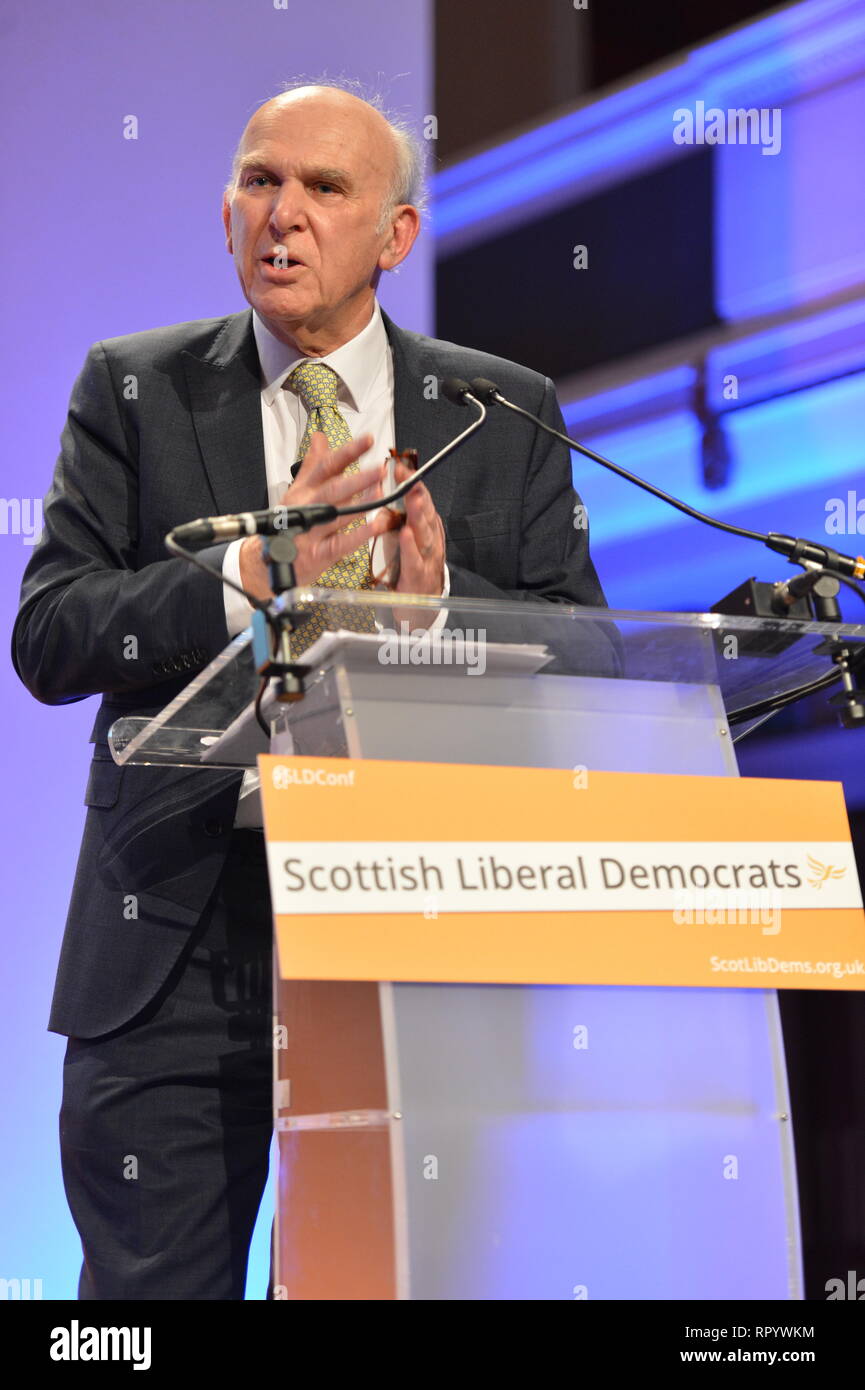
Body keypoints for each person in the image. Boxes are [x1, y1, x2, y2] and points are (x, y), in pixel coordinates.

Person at [12, 81, 613, 1300]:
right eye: (257, 180)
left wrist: (447, 606)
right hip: (179, 937)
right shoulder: (135, 389)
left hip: (416, 919)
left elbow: (588, 655)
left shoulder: (502, 410)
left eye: (324, 188)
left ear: (394, 235)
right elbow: (52, 635)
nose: (279, 214)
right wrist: (251, 570)